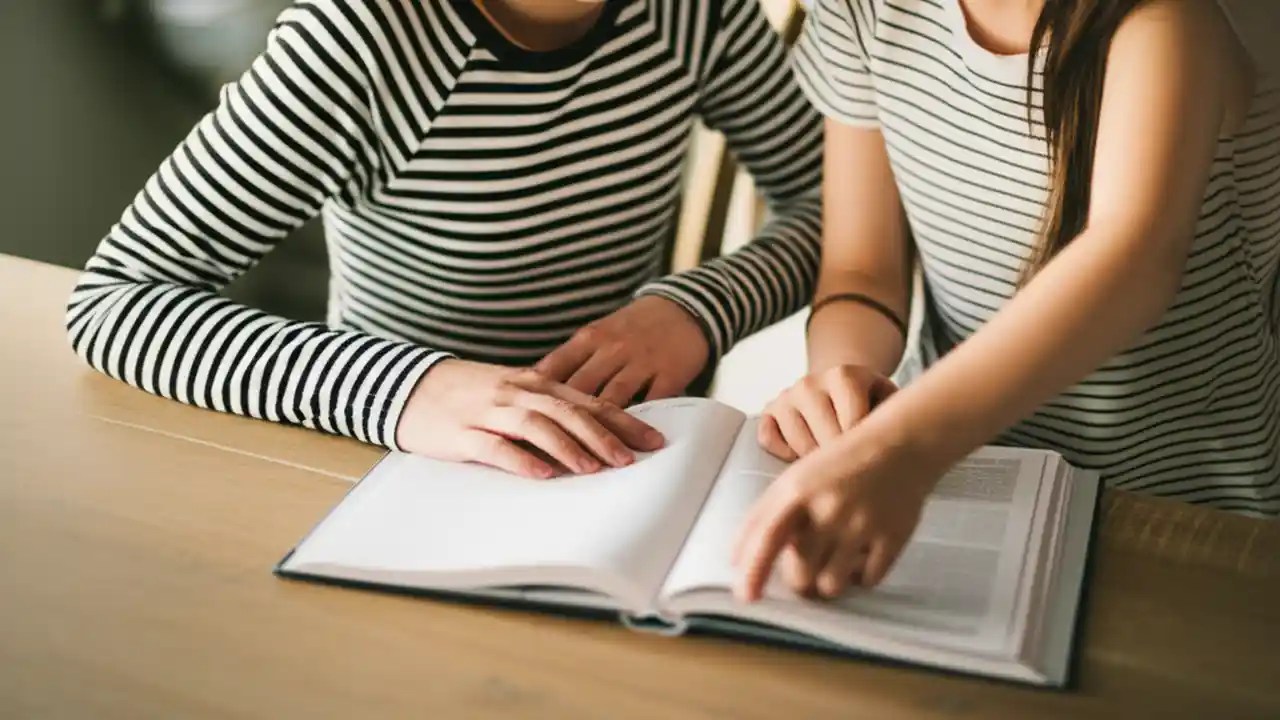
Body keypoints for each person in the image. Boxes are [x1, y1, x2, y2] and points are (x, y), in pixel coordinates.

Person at [65, 0, 823, 479]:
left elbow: (833, 209)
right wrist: (408, 388)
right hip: (396, 466)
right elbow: (115, 303)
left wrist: (698, 310)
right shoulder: (359, 38)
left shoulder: (699, 15)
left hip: (630, 461)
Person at [735, 0, 1279, 603]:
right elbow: (862, 272)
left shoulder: (1173, 18)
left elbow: (1133, 262)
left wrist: (902, 446)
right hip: (961, 479)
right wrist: (842, 383)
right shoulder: (861, 10)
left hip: (1179, 509)